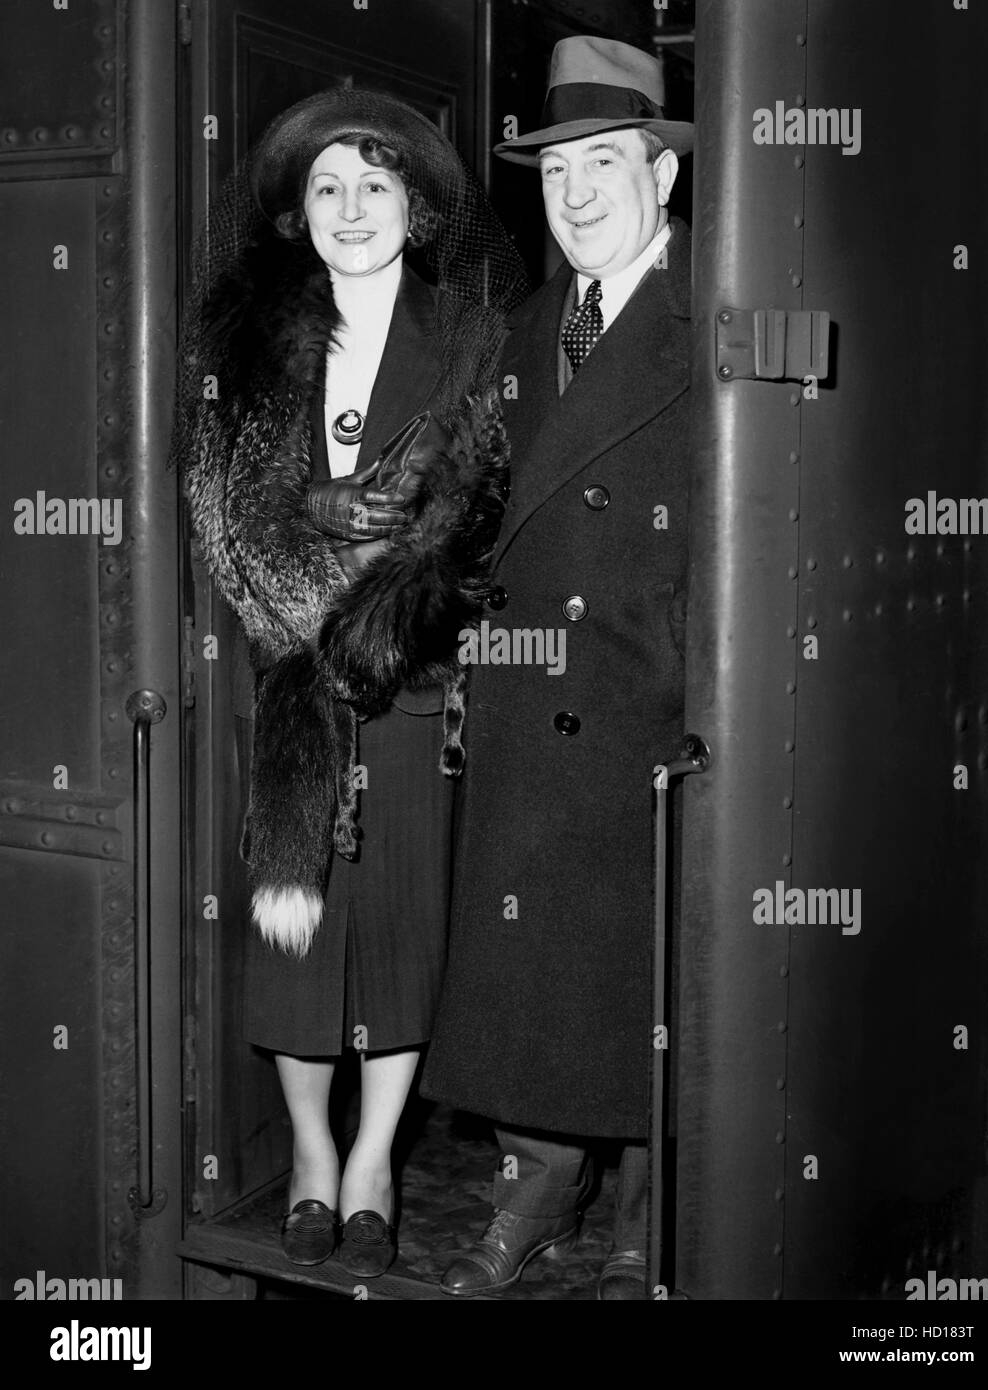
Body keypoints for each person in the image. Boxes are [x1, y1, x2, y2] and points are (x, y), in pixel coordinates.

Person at [175, 88, 527, 1278]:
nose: (350, 208)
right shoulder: (243, 336)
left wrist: (402, 574)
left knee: (401, 929)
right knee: (296, 935)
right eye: (327, 187)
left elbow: (484, 500)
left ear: (416, 205)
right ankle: (314, 1157)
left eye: (375, 184)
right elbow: (217, 506)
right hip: (289, 683)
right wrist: (310, 508)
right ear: (299, 214)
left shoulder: (474, 333)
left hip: (412, 676)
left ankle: (375, 1158)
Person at [420, 36, 695, 1300]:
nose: (575, 192)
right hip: (534, 702)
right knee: (536, 974)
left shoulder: (718, 315)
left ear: (662, 176)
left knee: (644, 976)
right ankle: (535, 1185)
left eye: (602, 161)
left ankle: (652, 1191)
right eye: (553, 170)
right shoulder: (526, 328)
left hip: (651, 709)